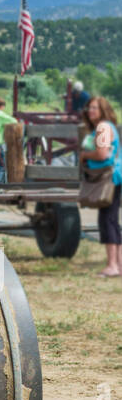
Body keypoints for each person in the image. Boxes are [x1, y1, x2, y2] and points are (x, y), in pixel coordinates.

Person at [81, 96, 122, 277]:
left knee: (107, 221)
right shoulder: (105, 126)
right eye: (89, 108)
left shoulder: (103, 127)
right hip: (110, 176)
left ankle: (112, 265)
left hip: (107, 177)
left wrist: (84, 155)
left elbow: (102, 154)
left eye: (95, 108)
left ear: (103, 110)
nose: (91, 111)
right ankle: (118, 265)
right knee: (111, 219)